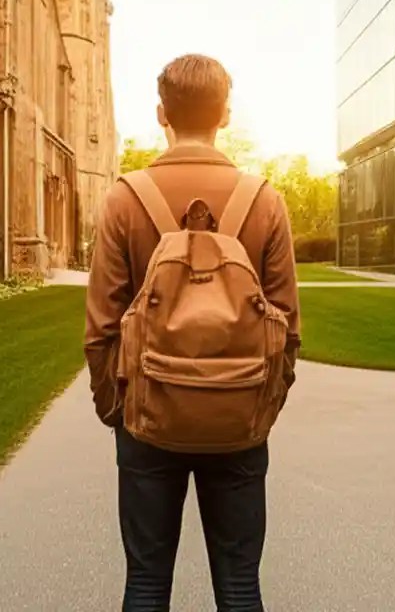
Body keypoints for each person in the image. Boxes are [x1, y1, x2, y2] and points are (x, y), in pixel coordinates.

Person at [84, 54, 300, 612]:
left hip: (148, 416)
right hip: (239, 418)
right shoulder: (265, 201)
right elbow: (288, 328)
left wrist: (121, 412)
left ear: (162, 114)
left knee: (148, 581)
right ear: (225, 114)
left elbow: (101, 328)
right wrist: (260, 406)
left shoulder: (124, 199)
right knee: (239, 583)